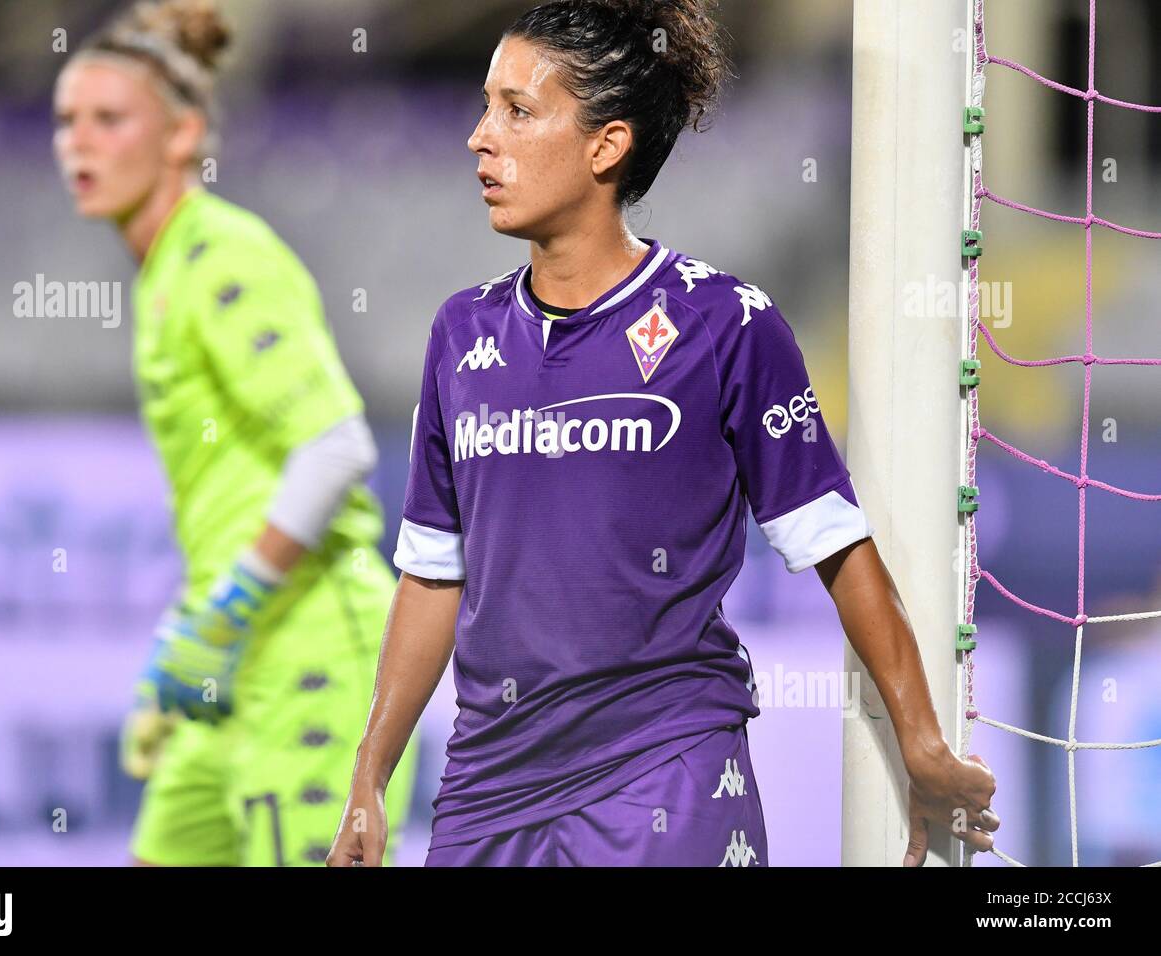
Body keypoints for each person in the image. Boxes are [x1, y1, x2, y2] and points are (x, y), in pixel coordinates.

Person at [327, 0, 998, 867]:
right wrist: (369, 779)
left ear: (606, 146)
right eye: (486, 104)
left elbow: (840, 546)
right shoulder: (460, 335)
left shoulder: (725, 325)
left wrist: (919, 742)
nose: (480, 137)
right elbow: (431, 575)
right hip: (487, 789)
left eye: (517, 110)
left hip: (667, 772)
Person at [51, 0, 416, 866]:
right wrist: (182, 644)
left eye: (109, 120)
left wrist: (228, 610)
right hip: (232, 663)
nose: (78, 143)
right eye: (66, 120)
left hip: (313, 648)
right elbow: (235, 490)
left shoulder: (223, 255)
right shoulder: (161, 275)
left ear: (183, 136)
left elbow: (337, 447)